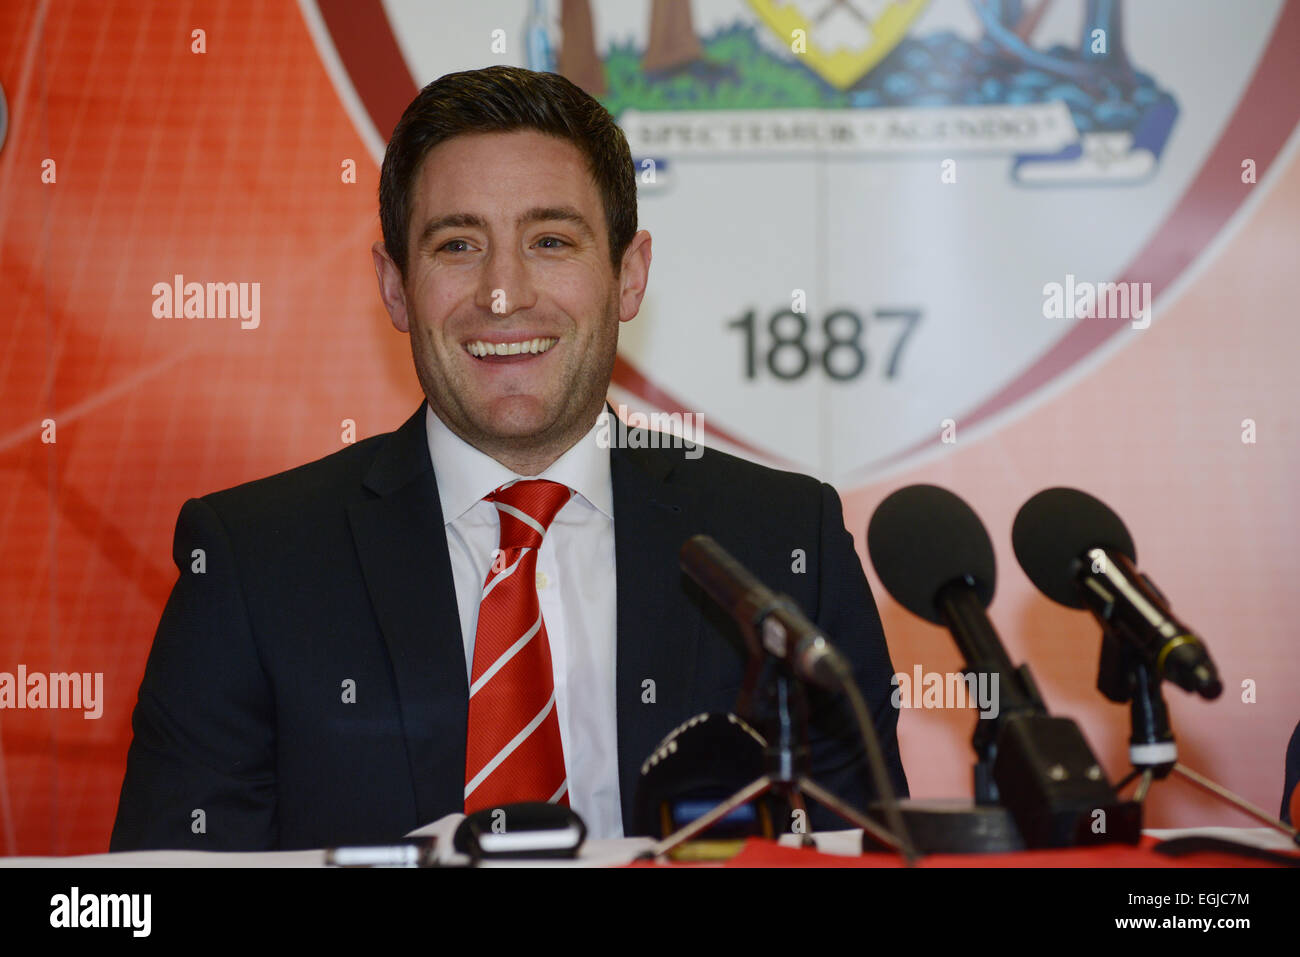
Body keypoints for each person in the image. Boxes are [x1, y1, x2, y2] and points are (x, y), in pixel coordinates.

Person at [110, 65, 907, 851]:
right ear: (394, 287)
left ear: (629, 275)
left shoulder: (779, 544)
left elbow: (859, 847)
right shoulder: (254, 562)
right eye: (457, 244)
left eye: (550, 240)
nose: (503, 292)